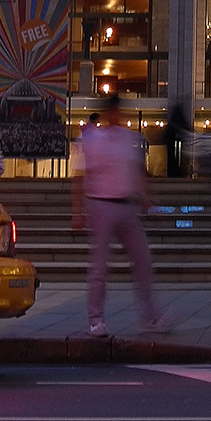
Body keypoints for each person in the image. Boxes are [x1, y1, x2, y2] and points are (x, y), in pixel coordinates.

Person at [72, 99, 165, 338]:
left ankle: (150, 316)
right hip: (101, 204)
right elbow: (80, 176)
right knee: (100, 265)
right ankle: (96, 319)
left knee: (142, 260)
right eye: (112, 112)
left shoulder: (128, 138)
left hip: (126, 204)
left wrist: (145, 195)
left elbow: (136, 170)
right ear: (106, 114)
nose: (115, 116)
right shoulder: (92, 140)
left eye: (118, 112)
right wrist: (78, 212)